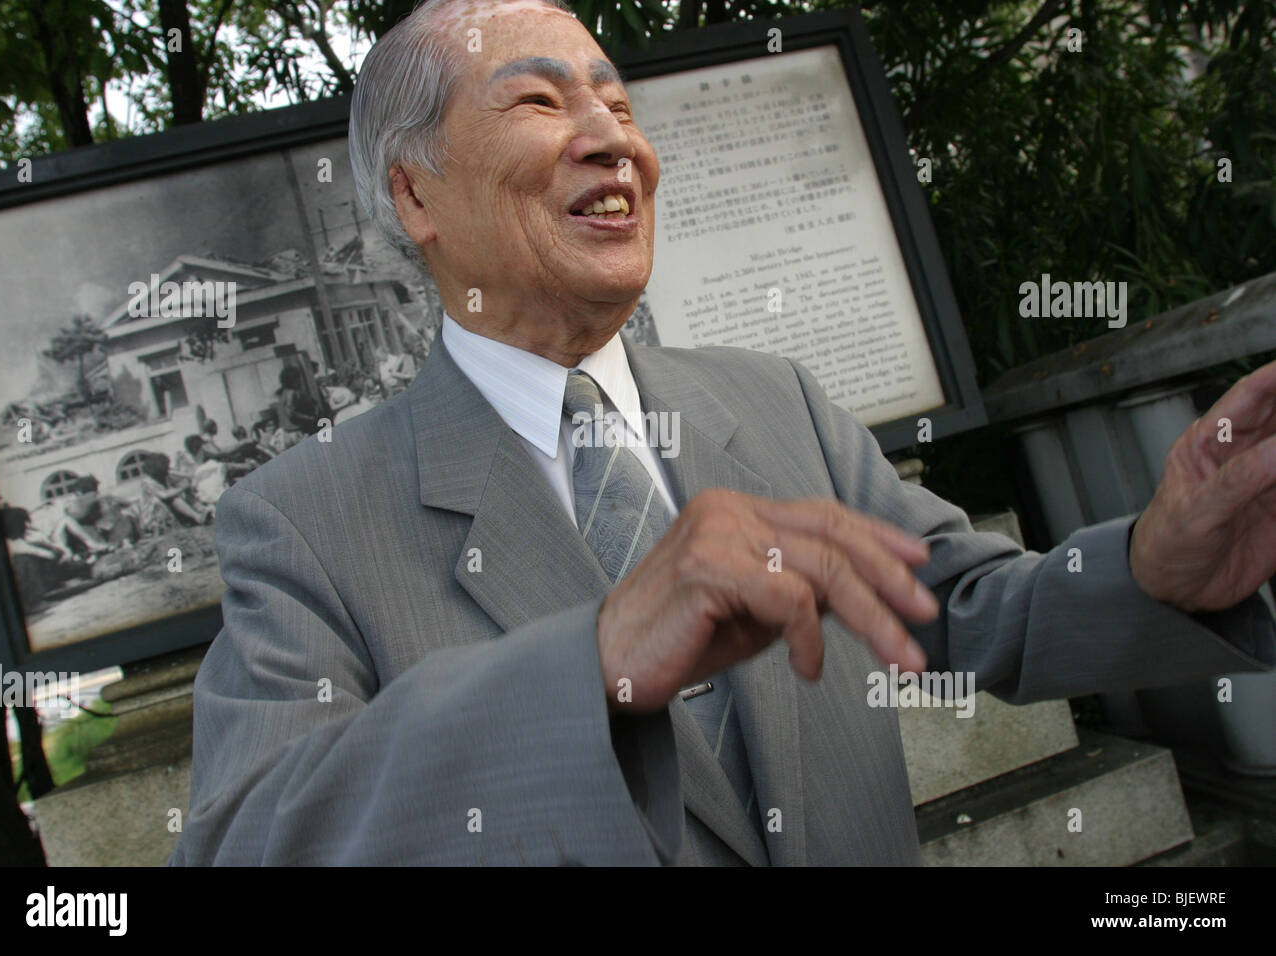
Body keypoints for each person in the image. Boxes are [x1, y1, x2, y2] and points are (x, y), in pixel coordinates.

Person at [172, 0, 1276, 866]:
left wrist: (1153, 566)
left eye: (618, 104)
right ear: (416, 197)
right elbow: (242, 842)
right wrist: (594, 663)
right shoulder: (306, 517)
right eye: (540, 104)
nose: (612, 139)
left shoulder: (772, 400)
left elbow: (976, 609)